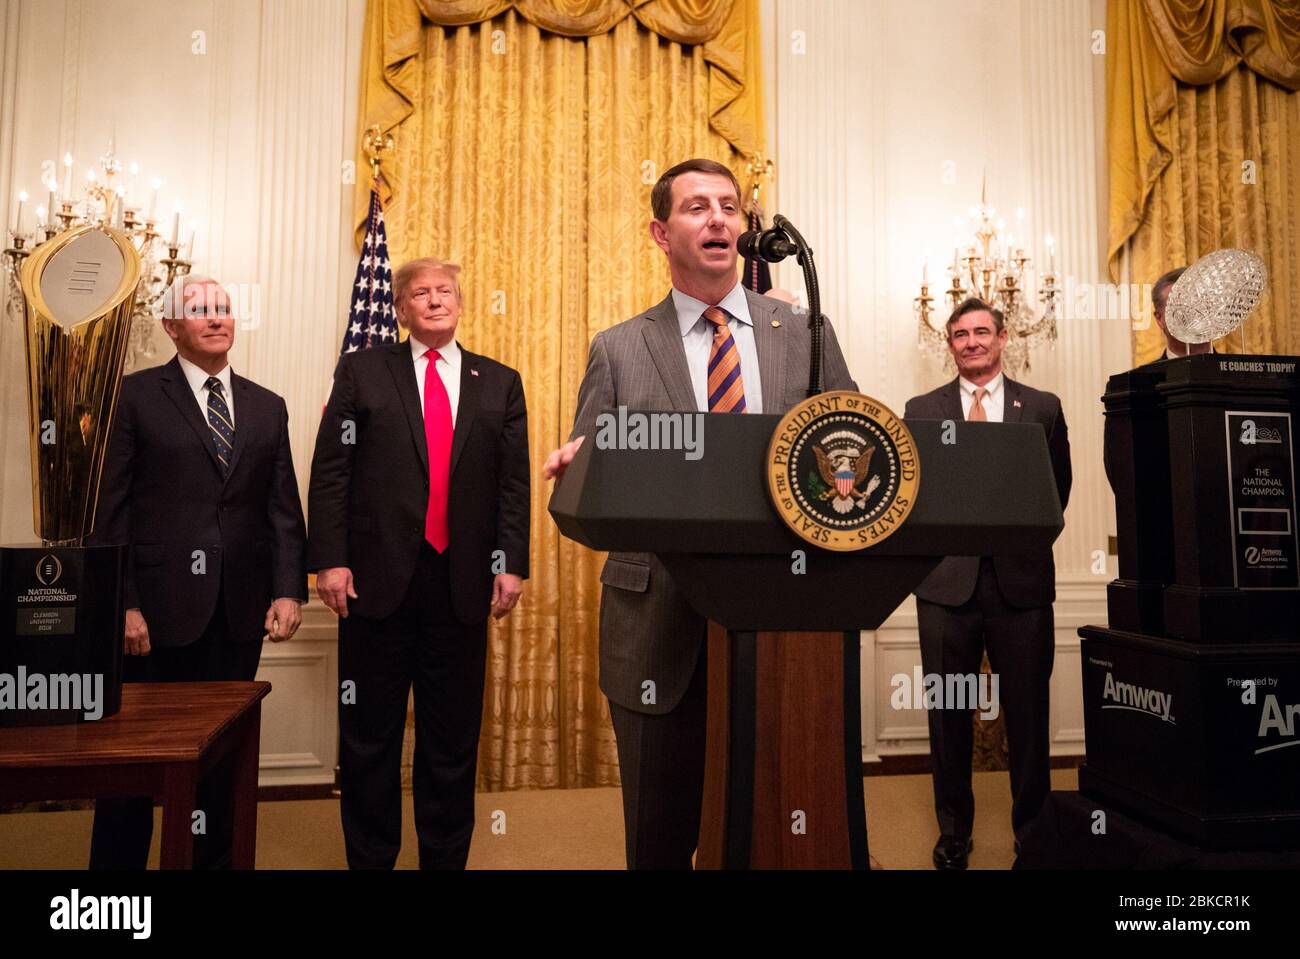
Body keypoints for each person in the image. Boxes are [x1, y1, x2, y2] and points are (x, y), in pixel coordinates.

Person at [543, 157, 857, 869]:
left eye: (728, 206)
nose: (718, 217)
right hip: (658, 629)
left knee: (773, 828)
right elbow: (581, 492)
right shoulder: (619, 348)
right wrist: (584, 477)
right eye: (696, 207)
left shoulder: (804, 332)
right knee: (658, 838)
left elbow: (851, 447)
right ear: (661, 231)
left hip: (783, 622)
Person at [308, 257, 529, 870]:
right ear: (401, 309)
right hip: (374, 583)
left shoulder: (500, 382)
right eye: (421, 294)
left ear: (460, 303)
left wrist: (511, 563)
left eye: (446, 292)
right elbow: (331, 473)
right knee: (369, 738)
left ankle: (444, 861)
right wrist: (329, 559)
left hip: (461, 585)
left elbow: (512, 486)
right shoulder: (361, 371)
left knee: (451, 740)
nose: (435, 301)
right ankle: (372, 860)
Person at [89, 275, 308, 870]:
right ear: (170, 327)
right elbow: (108, 511)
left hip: (236, 616)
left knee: (220, 766)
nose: (216, 320)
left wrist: (290, 590)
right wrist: (122, 604)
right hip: (153, 618)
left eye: (225, 309)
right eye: (199, 311)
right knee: (131, 769)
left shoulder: (268, 405)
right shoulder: (133, 397)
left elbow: (283, 509)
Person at [903, 296, 1071, 870]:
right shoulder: (920, 409)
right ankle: (954, 834)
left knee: (1027, 718)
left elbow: (1057, 494)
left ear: (1002, 339)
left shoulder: (1042, 408)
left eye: (981, 332)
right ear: (949, 344)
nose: (971, 342)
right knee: (947, 719)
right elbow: (914, 496)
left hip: (1021, 589)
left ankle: (1033, 833)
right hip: (946, 588)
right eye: (960, 334)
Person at [1150, 266, 1210, 359]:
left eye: (1198, 301)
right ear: (1159, 319)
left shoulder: (1238, 372)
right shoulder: (1147, 374)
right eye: (1179, 306)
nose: (1192, 312)